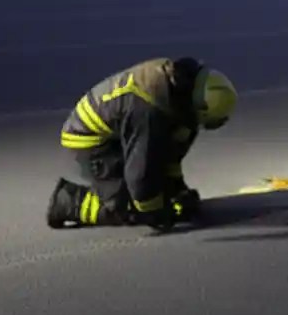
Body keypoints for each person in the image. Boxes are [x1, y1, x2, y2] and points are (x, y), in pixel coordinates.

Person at [45, 57, 238, 232]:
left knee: (155, 185)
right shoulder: (149, 110)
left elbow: (170, 150)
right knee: (127, 207)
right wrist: (155, 212)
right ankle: (68, 201)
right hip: (90, 139)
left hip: (119, 129)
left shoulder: (178, 89)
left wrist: (176, 189)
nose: (198, 126)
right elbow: (140, 174)